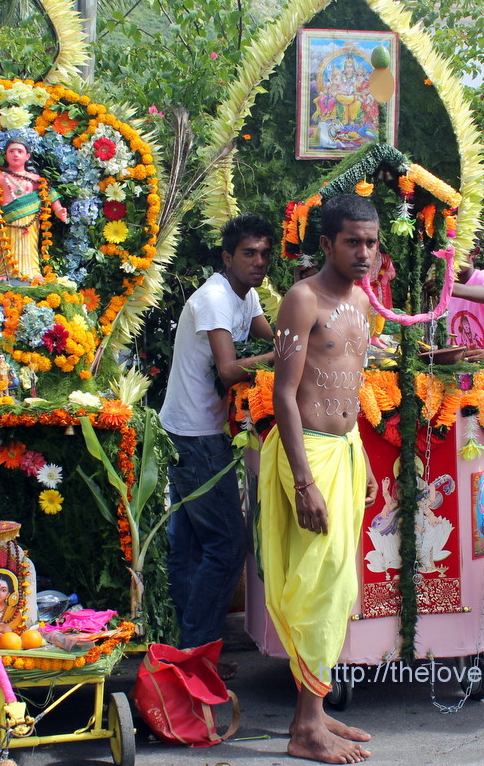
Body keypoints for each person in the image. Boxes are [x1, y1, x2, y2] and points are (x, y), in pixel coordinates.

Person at [260, 193, 379, 763]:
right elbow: (284, 392)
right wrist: (304, 482)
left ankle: (317, 708)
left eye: (371, 243)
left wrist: (365, 460)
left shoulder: (364, 301)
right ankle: (305, 726)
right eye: (352, 241)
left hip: (346, 451)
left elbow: (351, 383)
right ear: (326, 243)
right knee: (319, 580)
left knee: (338, 582)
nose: (364, 253)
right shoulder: (301, 300)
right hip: (308, 455)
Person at [159, 213, 275, 671]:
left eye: (265, 253)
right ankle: (197, 652)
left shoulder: (246, 295)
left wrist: (307, 334)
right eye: (249, 253)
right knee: (226, 546)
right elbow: (229, 370)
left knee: (188, 547)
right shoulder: (214, 298)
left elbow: (273, 333)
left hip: (197, 431)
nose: (258, 262)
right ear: (228, 257)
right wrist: (289, 354)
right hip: (195, 436)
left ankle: (184, 654)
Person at [0, 140, 68, 283]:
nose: (15, 155)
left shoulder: (35, 179)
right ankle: (3, 271)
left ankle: (33, 271)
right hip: (6, 219)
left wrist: (58, 210)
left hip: (30, 220)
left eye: (20, 151)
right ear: (5, 155)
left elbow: (49, 193)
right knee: (6, 246)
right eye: (11, 151)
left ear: (27, 156)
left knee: (29, 246)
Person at [431, 242, 484, 361]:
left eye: (457, 251)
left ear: (475, 252)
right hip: (471, 376)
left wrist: (448, 288)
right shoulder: (442, 293)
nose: (451, 257)